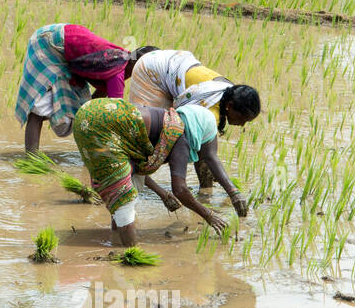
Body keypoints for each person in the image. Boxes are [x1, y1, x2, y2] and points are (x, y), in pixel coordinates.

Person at [72, 98, 241, 247]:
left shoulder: (167, 122)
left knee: (121, 187)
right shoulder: (180, 138)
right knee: (124, 198)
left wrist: (162, 194)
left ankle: (116, 242)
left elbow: (138, 169)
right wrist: (209, 215)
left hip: (89, 113)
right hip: (101, 124)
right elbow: (180, 190)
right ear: (199, 131)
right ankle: (130, 255)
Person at [126, 49, 261, 188]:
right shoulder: (209, 110)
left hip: (169, 62)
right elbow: (205, 155)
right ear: (230, 106)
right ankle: (120, 183)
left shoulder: (231, 92)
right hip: (151, 71)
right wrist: (207, 191)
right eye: (242, 118)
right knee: (146, 136)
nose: (242, 124)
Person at [15, 23, 156, 149]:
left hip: (65, 40)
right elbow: (115, 114)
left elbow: (91, 106)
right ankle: (31, 159)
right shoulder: (117, 73)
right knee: (41, 107)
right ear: (138, 66)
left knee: (78, 104)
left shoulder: (119, 61)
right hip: (49, 43)